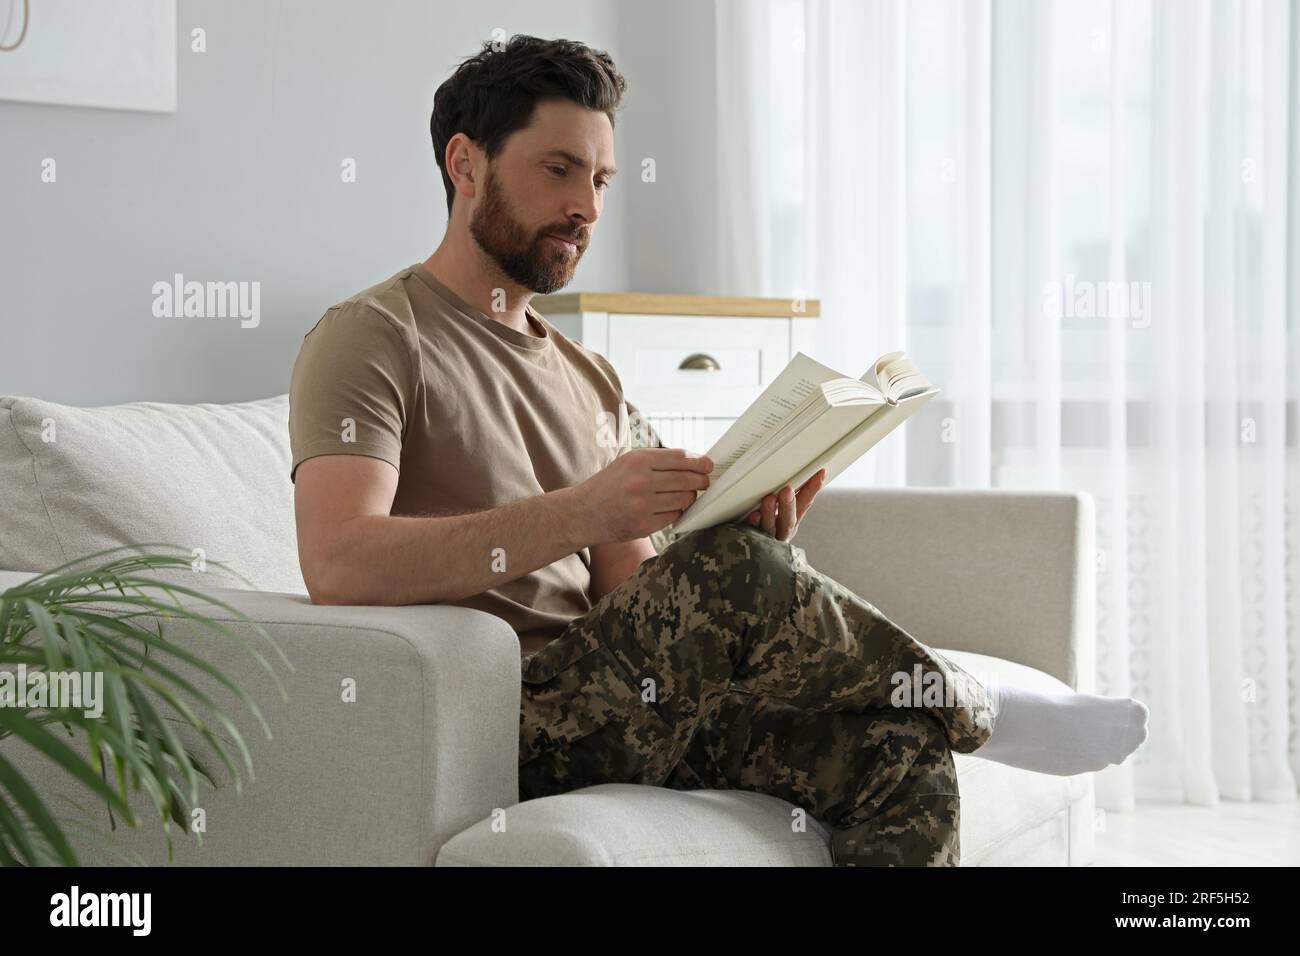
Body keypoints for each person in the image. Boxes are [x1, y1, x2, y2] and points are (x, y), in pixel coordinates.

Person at [287, 34, 1149, 866]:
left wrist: (753, 542)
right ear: (465, 164)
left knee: (893, 749)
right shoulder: (372, 337)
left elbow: (633, 592)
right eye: (558, 170)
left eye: (601, 179)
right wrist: (592, 512)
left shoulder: (588, 376)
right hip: (495, 714)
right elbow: (338, 561)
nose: (586, 206)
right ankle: (983, 707)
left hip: (629, 703)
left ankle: (937, 707)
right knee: (732, 569)